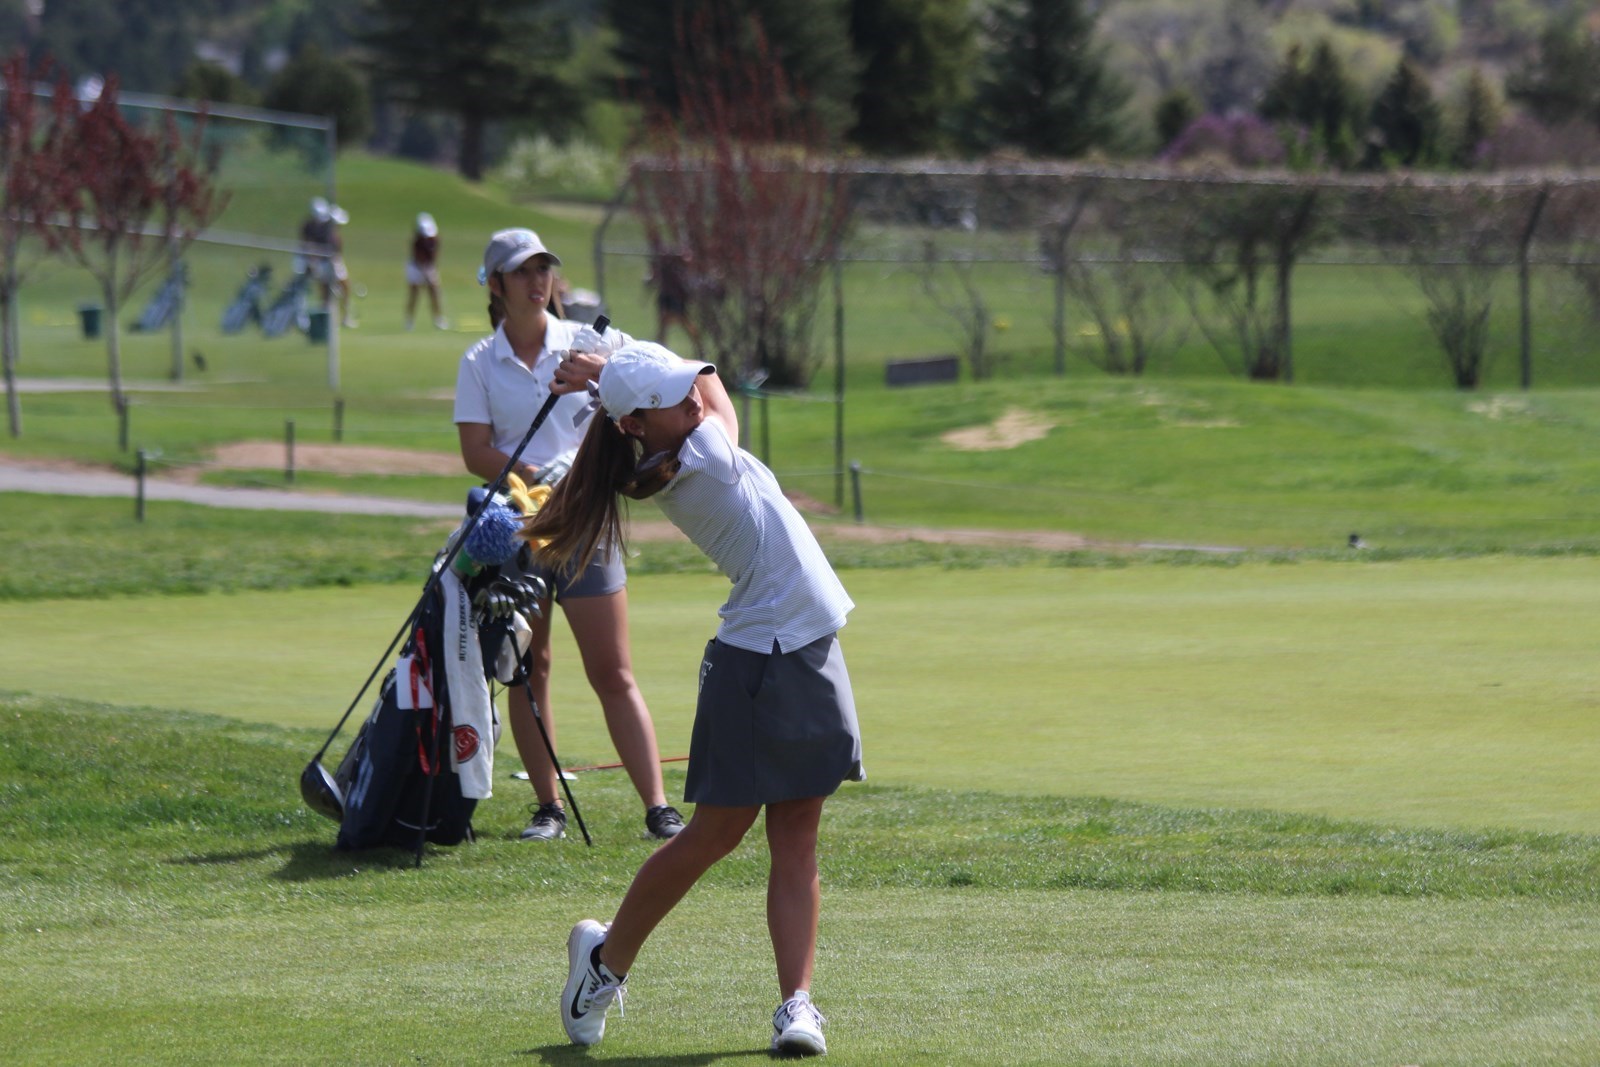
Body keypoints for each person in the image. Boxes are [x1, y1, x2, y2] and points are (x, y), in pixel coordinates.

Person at [525, 341, 864, 1057]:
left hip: (804, 642)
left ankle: (795, 1005)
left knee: (797, 831)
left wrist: (609, 371)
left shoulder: (671, 442)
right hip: (761, 655)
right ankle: (604, 963)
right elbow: (712, 386)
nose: (689, 398)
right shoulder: (698, 457)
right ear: (640, 426)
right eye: (668, 398)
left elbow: (696, 387)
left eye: (679, 394)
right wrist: (613, 365)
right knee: (716, 834)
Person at [453, 228, 685, 843]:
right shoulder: (479, 361)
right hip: (519, 527)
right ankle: (548, 808)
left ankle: (658, 807)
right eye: (522, 271)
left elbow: (626, 405)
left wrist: (576, 472)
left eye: (544, 270)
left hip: (584, 520)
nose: (537, 281)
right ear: (496, 285)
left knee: (613, 671)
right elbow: (476, 450)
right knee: (532, 667)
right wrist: (532, 472)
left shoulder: (582, 346)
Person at [300, 196, 356, 328]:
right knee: (325, 291)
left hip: (334, 260)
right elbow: (311, 247)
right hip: (324, 262)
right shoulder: (312, 227)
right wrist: (314, 262)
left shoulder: (332, 228)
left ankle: (345, 316)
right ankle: (327, 321)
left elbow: (336, 248)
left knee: (344, 286)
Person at [645, 248, 698, 350]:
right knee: (663, 324)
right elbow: (654, 278)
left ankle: (699, 347)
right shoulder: (663, 266)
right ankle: (660, 347)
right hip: (665, 297)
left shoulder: (677, 266)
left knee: (684, 322)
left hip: (676, 297)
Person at [405, 212, 447, 330]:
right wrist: (424, 271)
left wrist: (430, 270)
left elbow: (434, 256)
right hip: (415, 267)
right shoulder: (416, 242)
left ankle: (438, 319)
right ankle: (409, 321)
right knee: (414, 293)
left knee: (434, 291)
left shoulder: (435, 239)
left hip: (429, 266)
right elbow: (419, 259)